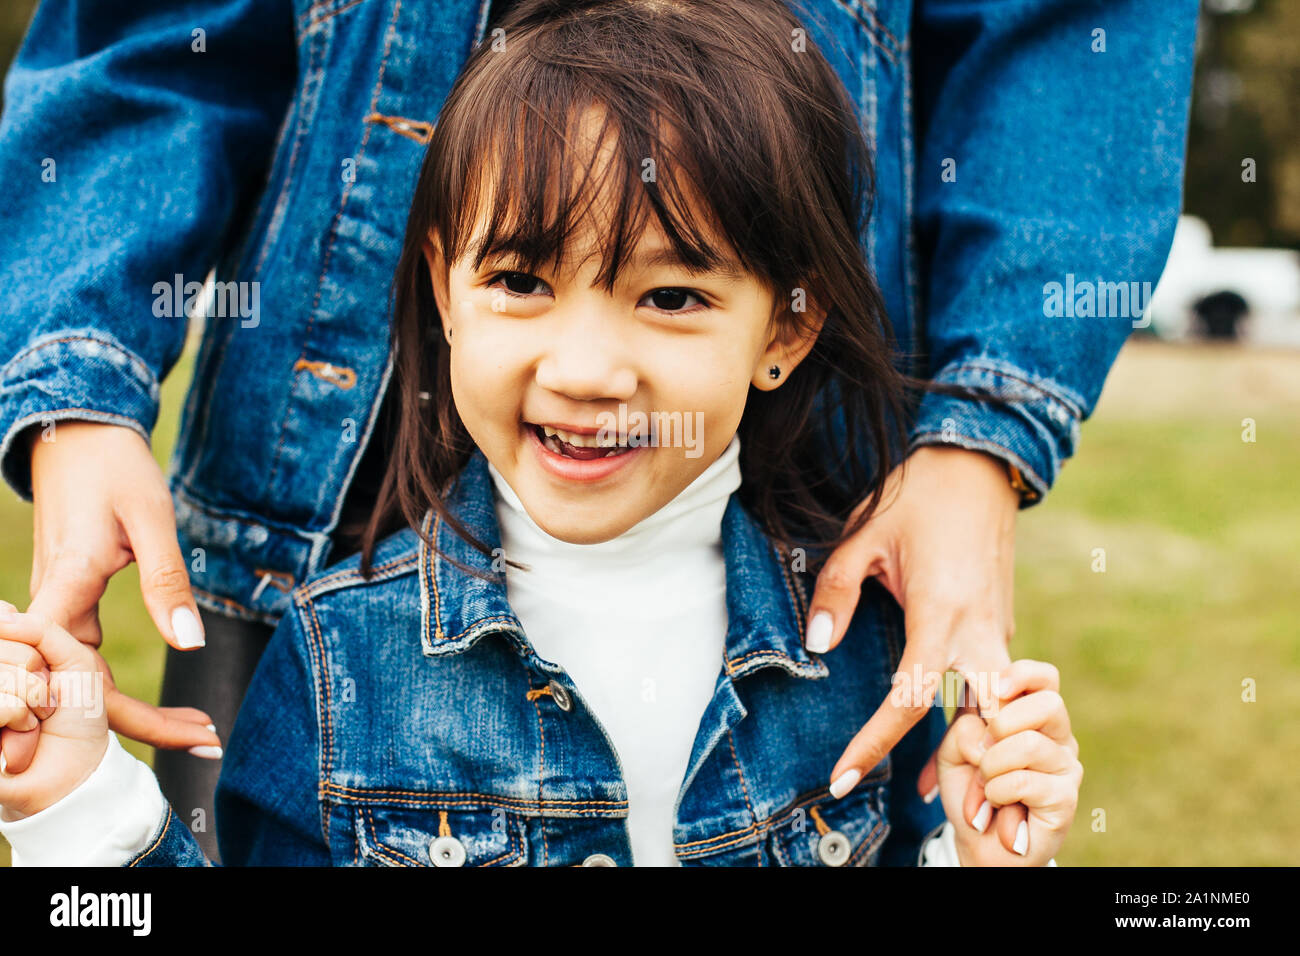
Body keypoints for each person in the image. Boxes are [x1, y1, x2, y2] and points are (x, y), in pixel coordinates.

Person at [0, 0, 1191, 860]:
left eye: (671, 295)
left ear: (787, 326)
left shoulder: (857, 661)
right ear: (442, 286)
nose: (584, 370)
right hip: (302, 498)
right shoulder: (329, 663)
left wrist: (986, 430)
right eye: (520, 277)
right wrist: (81, 809)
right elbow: (147, 41)